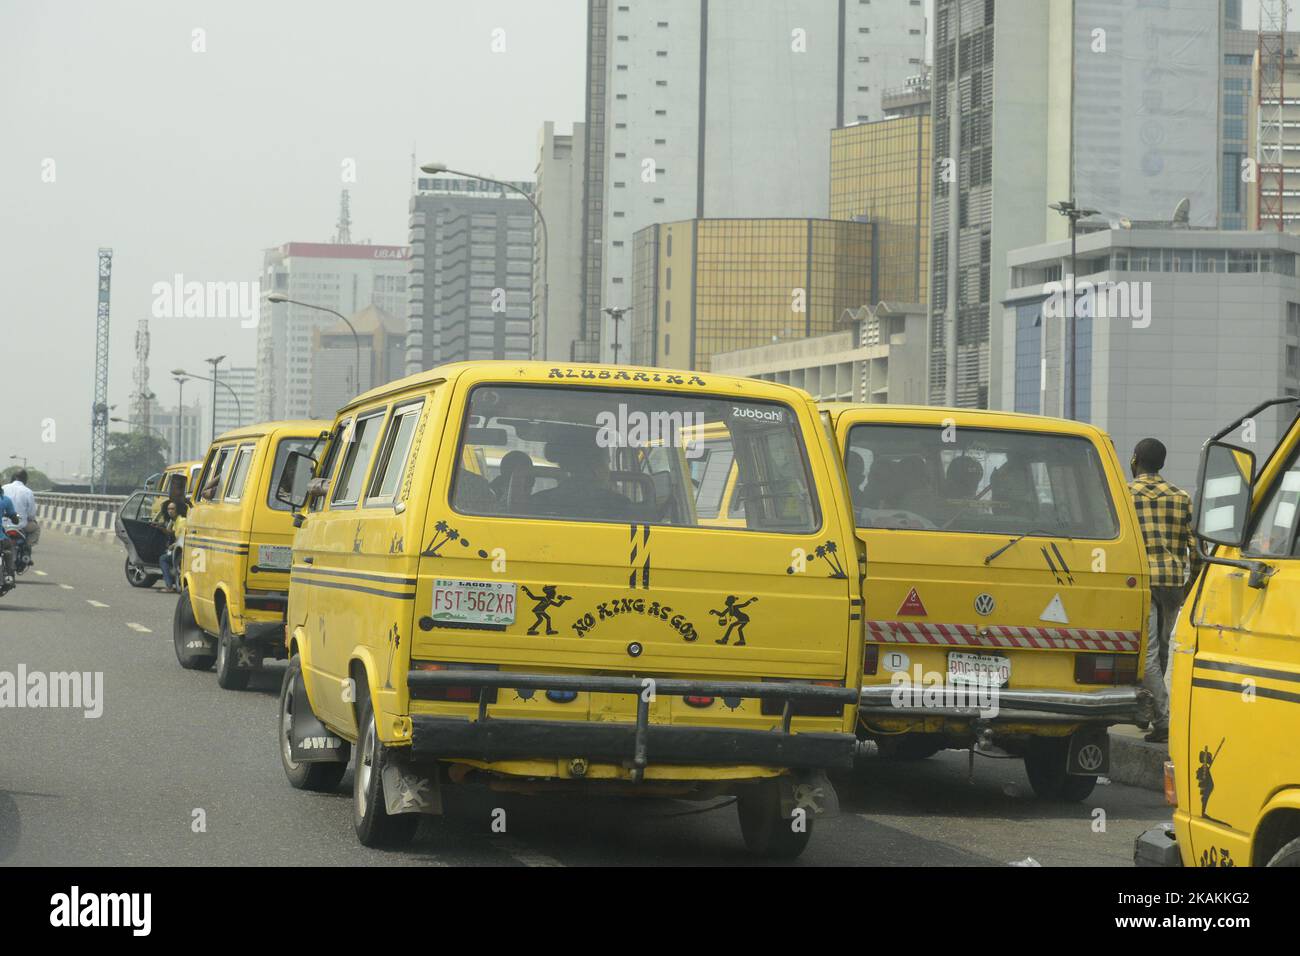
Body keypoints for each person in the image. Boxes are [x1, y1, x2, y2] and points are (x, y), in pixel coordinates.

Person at [1128, 437, 1195, 746]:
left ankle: (1163, 718)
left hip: (1139, 580)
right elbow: (1195, 546)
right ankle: (1155, 710)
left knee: (1148, 653)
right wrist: (1190, 584)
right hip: (1172, 581)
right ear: (1162, 463)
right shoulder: (1181, 497)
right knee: (1168, 648)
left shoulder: (1125, 495)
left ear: (1135, 460)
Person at [528, 436, 634, 520]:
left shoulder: (537, 502)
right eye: (607, 462)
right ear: (597, 467)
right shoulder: (620, 506)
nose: (608, 469)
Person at [2, 468, 39, 556]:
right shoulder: (28, 491)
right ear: (25, 480)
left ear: (13, 478)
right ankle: (27, 546)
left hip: (3, 524)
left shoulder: (3, 488)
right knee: (36, 528)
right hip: (20, 525)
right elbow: (31, 515)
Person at [155, 500, 182, 592]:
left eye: (172, 509)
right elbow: (172, 533)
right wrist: (163, 529)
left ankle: (169, 586)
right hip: (177, 550)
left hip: (181, 552)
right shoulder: (175, 521)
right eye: (168, 509)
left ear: (177, 510)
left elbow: (182, 538)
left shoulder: (181, 521)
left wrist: (173, 545)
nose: (170, 511)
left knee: (163, 559)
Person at [0, 489, 18, 588]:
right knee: (9, 548)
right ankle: (10, 575)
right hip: (1, 539)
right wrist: (14, 518)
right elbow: (15, 519)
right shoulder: (5, 500)